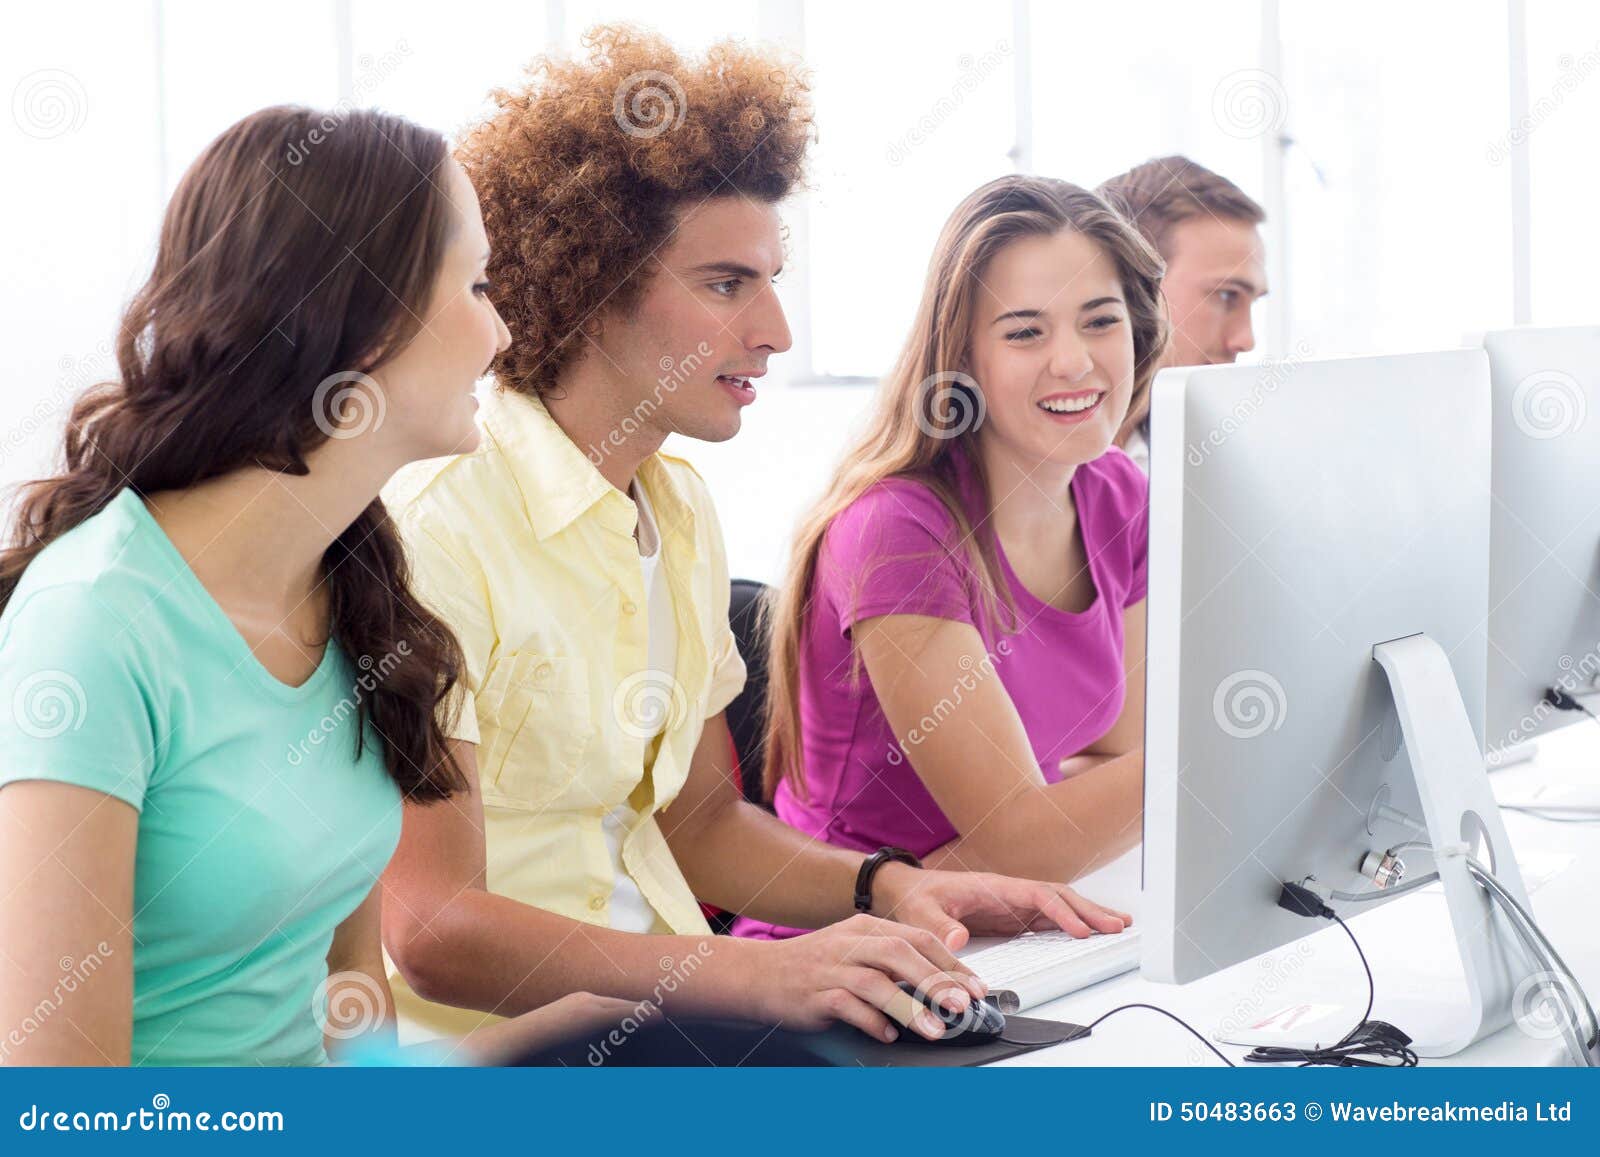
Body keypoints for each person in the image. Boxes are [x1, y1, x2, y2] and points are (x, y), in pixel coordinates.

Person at [380, 26, 1128, 1050]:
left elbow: (697, 828)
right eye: (728, 284)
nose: (775, 329)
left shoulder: (674, 510)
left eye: (772, 280)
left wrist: (893, 890)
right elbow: (430, 928)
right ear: (592, 283)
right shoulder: (441, 530)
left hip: (685, 1026)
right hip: (503, 1057)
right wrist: (755, 972)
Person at [0, 105, 634, 1066]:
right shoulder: (94, 624)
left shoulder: (357, 591)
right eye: (476, 285)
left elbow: (350, 1022)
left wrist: (495, 1069)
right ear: (365, 319)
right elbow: (61, 1112)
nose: (501, 331)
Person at [735, 175, 1167, 940]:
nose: (1074, 361)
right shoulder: (897, 531)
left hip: (1008, 926)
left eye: (1100, 321)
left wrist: (1033, 840)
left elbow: (1114, 754)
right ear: (962, 359)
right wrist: (1230, 737)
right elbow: (1024, 840)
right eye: (1025, 332)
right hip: (849, 955)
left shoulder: (1116, 493)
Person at [1097, 155, 1268, 470]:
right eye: (1227, 295)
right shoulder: (1025, 466)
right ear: (1135, 287)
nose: (1246, 340)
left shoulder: (1208, 454)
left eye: (1253, 301)